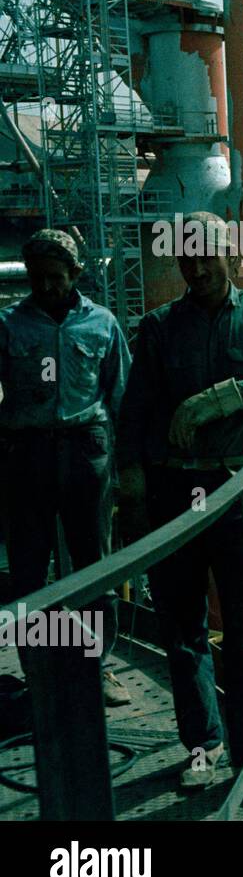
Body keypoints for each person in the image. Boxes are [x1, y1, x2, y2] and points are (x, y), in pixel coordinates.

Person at [116, 211, 243, 791]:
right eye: (186, 257)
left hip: (236, 490)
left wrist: (227, 396)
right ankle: (203, 746)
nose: (197, 268)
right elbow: (134, 416)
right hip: (177, 490)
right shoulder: (157, 329)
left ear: (227, 257)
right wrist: (131, 491)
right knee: (182, 630)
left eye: (207, 256)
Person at [0, 229, 132, 706]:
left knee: (94, 566)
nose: (48, 287)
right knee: (29, 572)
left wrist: (130, 467)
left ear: (76, 274)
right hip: (26, 454)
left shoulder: (102, 324)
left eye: (57, 278)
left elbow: (122, 394)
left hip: (86, 451)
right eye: (38, 278)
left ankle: (98, 669)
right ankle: (39, 673)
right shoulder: (10, 324)